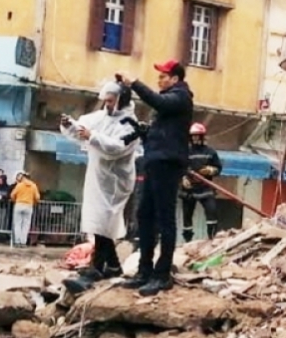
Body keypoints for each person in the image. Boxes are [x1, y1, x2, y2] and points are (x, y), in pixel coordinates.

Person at [116, 59, 194, 297]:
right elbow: (164, 131)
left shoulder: (180, 97)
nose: (159, 80)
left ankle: (162, 275)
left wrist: (134, 83)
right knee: (145, 215)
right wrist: (145, 133)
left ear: (175, 79)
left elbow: (159, 101)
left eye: (163, 76)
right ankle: (145, 270)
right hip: (154, 160)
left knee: (164, 218)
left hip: (167, 164)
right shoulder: (169, 105)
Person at [61, 82, 140, 294]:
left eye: (111, 101)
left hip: (115, 180)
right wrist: (70, 125)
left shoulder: (130, 124)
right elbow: (84, 126)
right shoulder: (102, 116)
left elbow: (117, 147)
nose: (107, 104)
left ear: (121, 100)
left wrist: (92, 137)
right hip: (97, 176)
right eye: (105, 100)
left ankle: (96, 268)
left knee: (104, 221)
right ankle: (112, 266)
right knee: (97, 222)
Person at [181, 123, 222, 242]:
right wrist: (183, 179)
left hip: (206, 188)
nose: (195, 138)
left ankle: (212, 239)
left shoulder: (210, 152)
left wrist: (211, 170)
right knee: (187, 217)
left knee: (212, 211)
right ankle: (187, 242)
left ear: (202, 136)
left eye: (197, 136)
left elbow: (218, 168)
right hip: (189, 190)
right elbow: (178, 168)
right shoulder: (185, 152)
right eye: (193, 136)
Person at [9, 172, 41, 247]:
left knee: (17, 224)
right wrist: (34, 202)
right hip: (29, 205)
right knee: (26, 225)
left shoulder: (19, 185)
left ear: (23, 177)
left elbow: (12, 195)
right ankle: (23, 242)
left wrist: (15, 200)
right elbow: (37, 197)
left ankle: (17, 242)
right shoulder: (33, 185)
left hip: (19, 205)